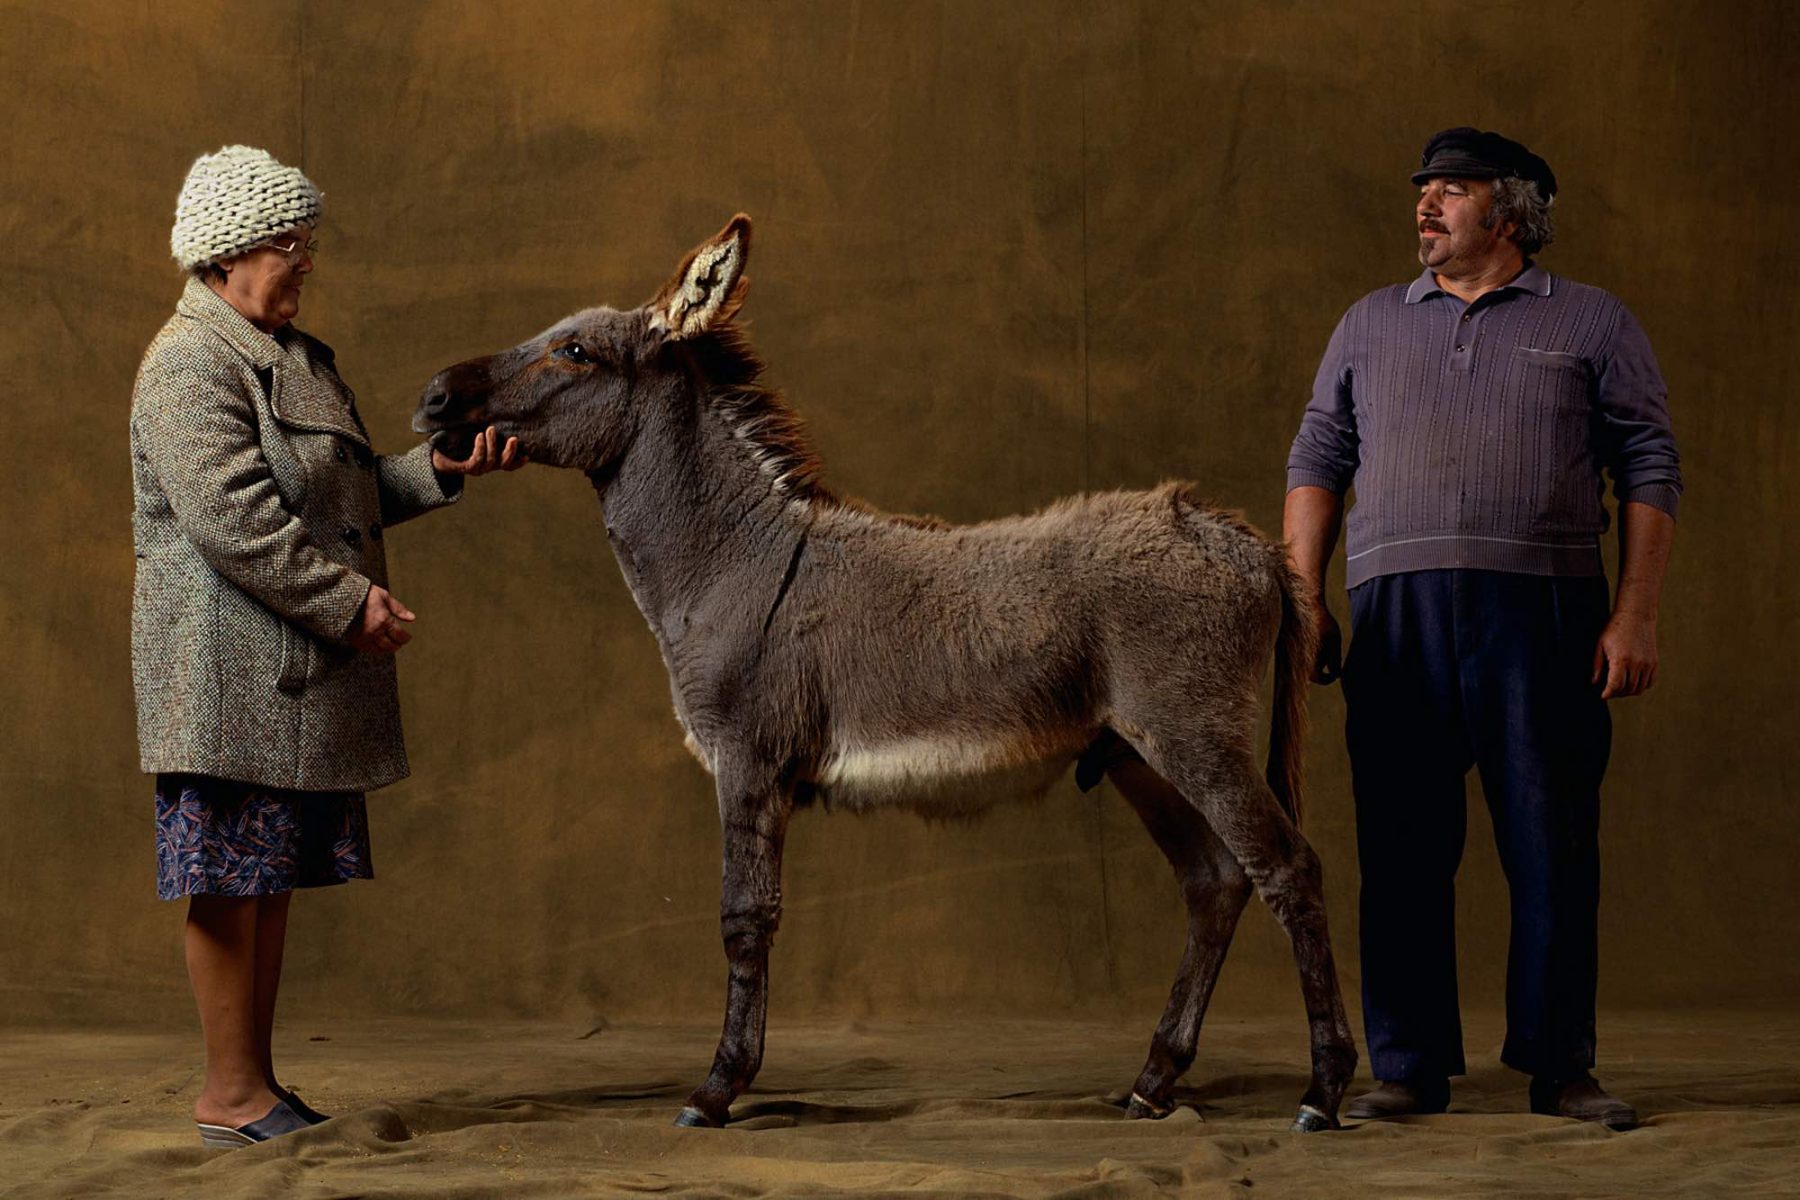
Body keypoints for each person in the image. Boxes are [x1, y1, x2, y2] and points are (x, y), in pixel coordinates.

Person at [1283, 128, 1680, 1130]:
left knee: (1552, 842)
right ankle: (1407, 1066)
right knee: (1402, 845)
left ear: (1508, 212)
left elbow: (1649, 467)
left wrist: (1634, 613)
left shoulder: (1590, 319)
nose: (1424, 205)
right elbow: (1317, 458)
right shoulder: (1369, 323)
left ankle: (1561, 1068)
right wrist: (1303, 596)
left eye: (1450, 191)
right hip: (1397, 612)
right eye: (1421, 189)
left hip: (1542, 611)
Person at [130, 145, 524, 1148]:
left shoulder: (293, 358)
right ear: (225, 256)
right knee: (229, 879)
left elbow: (336, 502)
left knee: (263, 880)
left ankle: (253, 1088)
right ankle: (228, 1095)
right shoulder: (189, 362)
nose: (304, 262)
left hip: (284, 674)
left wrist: (435, 470)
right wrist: (351, 607)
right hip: (225, 676)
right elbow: (235, 521)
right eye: (285, 246)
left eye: (306, 244)